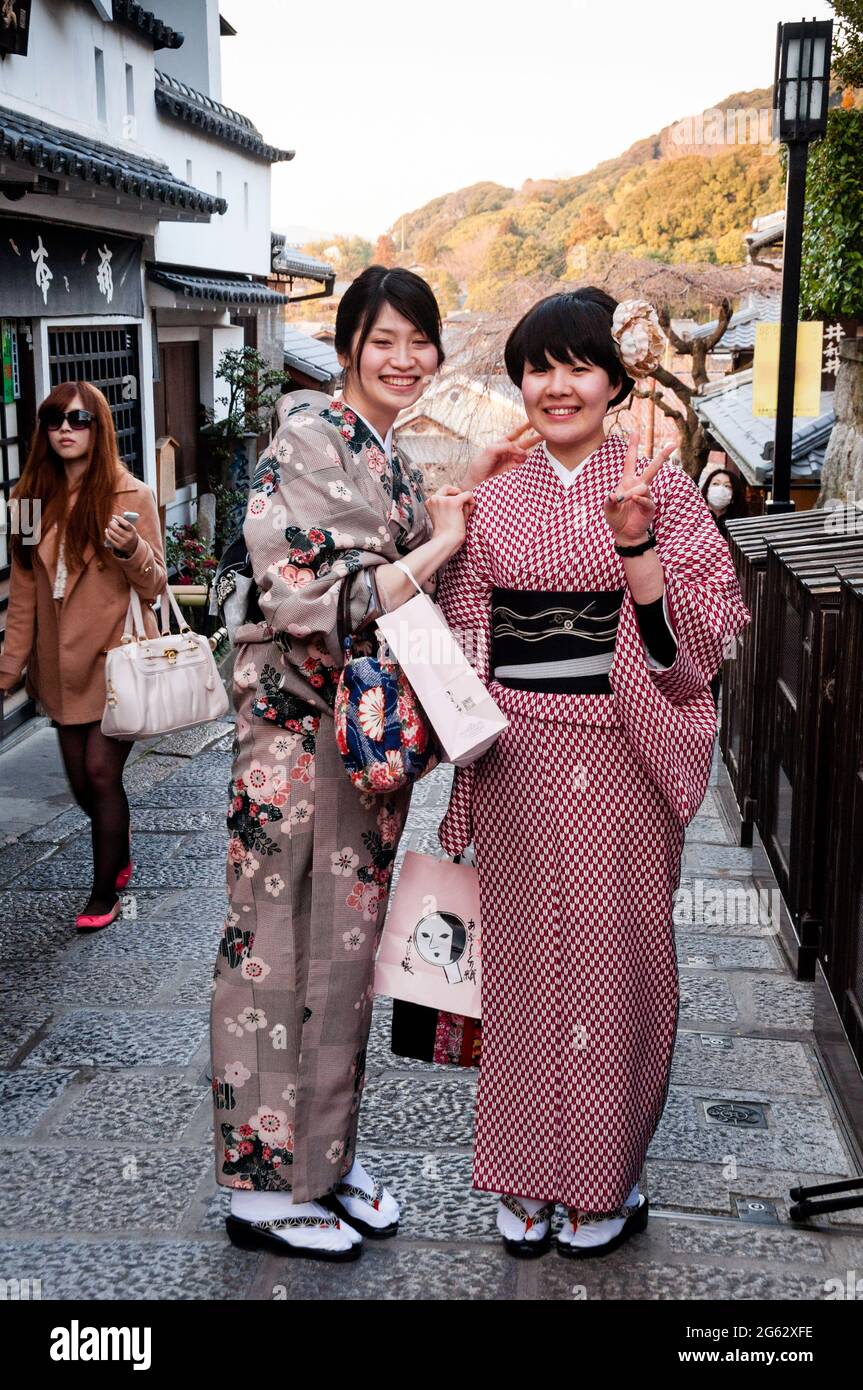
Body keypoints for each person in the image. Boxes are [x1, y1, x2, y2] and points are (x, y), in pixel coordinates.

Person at [436, 289, 751, 1259]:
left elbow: (700, 642)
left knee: (619, 964)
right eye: (537, 368)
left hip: (622, 752)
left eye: (578, 365)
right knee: (521, 966)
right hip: (517, 757)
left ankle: (605, 1176)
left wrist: (637, 546)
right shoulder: (495, 494)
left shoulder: (663, 487)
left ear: (614, 380)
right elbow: (462, 621)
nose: (556, 385)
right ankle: (525, 1173)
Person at [211, 266, 476, 1262]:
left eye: (420, 341)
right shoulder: (310, 434)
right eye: (384, 340)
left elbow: (386, 574)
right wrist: (442, 543)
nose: (404, 359)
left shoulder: (386, 454)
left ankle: (321, 1161)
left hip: (357, 744)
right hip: (295, 737)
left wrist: (449, 512)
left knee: (346, 954)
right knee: (273, 950)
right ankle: (258, 1186)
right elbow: (312, 600)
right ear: (348, 345)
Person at [0, 382, 166, 929]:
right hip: (60, 668)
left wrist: (131, 548)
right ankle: (117, 842)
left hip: (115, 661)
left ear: (99, 427)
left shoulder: (130, 495)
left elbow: (155, 584)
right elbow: (23, 593)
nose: (65, 430)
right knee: (81, 784)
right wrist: (8, 670)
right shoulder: (28, 501)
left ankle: (104, 893)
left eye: (78, 420)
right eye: (54, 420)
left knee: (99, 772)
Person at [697, 463, 747, 706]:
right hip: (698, 595)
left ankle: (712, 697)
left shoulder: (740, 525)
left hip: (729, 597)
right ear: (706, 489)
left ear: (734, 494)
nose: (721, 489)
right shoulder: (695, 519)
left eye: (727, 486)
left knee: (721, 652)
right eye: (716, 484)